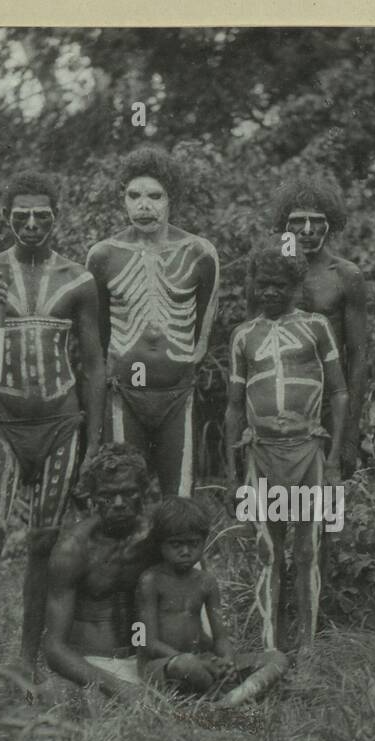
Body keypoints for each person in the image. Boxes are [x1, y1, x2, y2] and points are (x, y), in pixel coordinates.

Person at [0, 169, 107, 665]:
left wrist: (96, 439)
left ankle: (27, 658)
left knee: (44, 539)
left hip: (60, 426)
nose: (30, 224)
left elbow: (93, 365)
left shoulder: (79, 280)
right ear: (4, 219)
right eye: (20, 216)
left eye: (40, 216)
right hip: (1, 426)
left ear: (55, 219)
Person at [226, 238, 349, 652]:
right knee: (268, 549)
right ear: (253, 286)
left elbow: (339, 394)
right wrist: (233, 466)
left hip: (308, 450)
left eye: (280, 284)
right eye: (263, 284)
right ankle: (269, 648)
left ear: (296, 284)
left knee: (309, 546)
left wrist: (334, 459)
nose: (271, 292)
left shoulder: (316, 327)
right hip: (261, 452)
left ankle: (309, 647)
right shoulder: (244, 335)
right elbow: (233, 406)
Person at [88, 146, 218, 497]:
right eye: (134, 196)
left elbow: (204, 333)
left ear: (171, 198)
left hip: (178, 395)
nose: (144, 205)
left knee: (180, 497)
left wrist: (186, 369)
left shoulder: (200, 253)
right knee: (125, 494)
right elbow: (98, 337)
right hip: (124, 397)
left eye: (154, 196)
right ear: (123, 199)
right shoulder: (103, 255)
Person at [136, 496, 288, 704]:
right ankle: (222, 697)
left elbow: (220, 638)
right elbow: (148, 643)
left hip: (202, 659)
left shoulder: (206, 582)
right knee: (186, 665)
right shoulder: (150, 581)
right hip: (163, 665)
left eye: (193, 544)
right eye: (176, 544)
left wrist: (227, 660)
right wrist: (197, 661)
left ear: (203, 541)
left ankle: (231, 699)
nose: (186, 551)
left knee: (277, 658)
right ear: (160, 544)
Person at [269, 176, 369, 475]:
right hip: (277, 399)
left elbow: (359, 356)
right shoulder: (269, 272)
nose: (308, 230)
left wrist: (349, 433)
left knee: (326, 502)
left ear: (332, 224)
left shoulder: (345, 275)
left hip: (329, 401)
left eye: (317, 221)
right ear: (284, 224)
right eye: (299, 221)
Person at [44, 444, 160, 698]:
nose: (119, 503)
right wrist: (119, 688)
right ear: (92, 497)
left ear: (143, 492)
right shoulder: (73, 549)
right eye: (108, 495)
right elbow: (53, 648)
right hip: (89, 666)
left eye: (128, 493)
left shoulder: (156, 538)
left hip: (145, 662)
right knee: (60, 698)